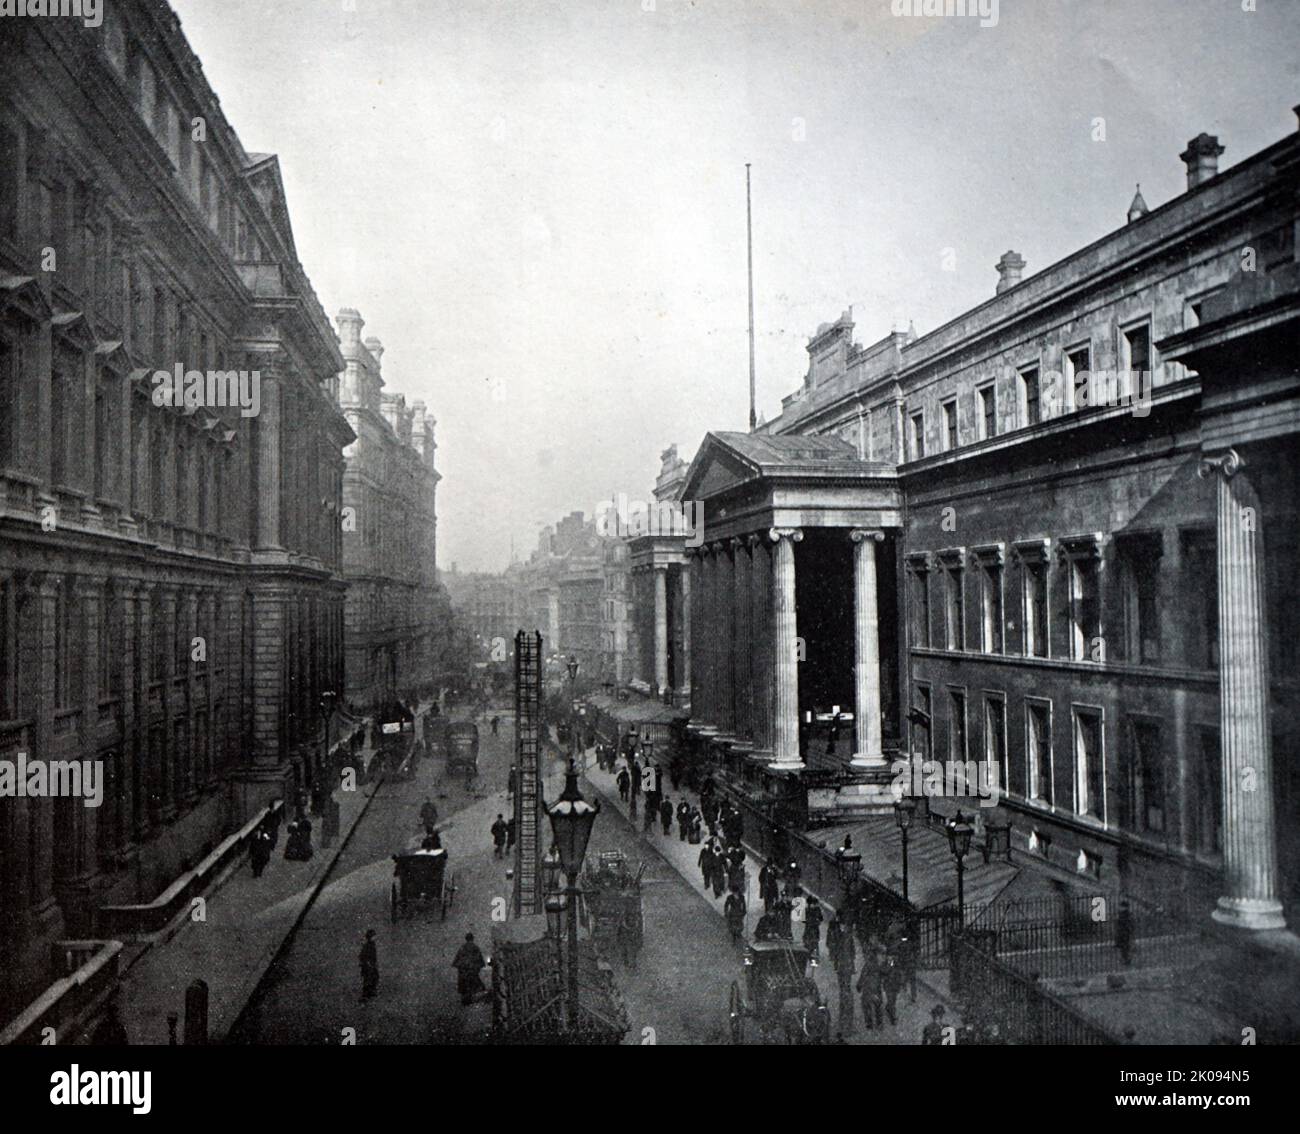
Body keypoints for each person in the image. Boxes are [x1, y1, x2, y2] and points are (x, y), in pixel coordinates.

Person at [856, 942, 884, 1031]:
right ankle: (879, 1024)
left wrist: (859, 985)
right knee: (877, 1005)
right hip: (876, 988)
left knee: (866, 1005)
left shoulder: (869, 964)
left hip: (869, 988)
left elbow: (863, 975)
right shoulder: (880, 963)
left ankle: (869, 1025)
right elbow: (885, 972)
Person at [452, 933, 487, 1005]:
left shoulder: (462, 947)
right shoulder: (475, 947)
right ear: (472, 939)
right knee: (473, 983)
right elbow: (480, 959)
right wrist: (479, 966)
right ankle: (471, 997)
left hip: (463, 970)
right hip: (472, 969)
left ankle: (465, 998)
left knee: (463, 983)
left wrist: (457, 965)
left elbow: (457, 958)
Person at [359, 929, 380, 1000]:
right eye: (374, 936)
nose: (376, 937)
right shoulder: (368, 946)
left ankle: (370, 992)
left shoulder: (370, 945)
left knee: (374, 978)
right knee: (369, 979)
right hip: (368, 966)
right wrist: (368, 964)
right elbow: (363, 956)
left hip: (370, 965)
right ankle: (367, 994)